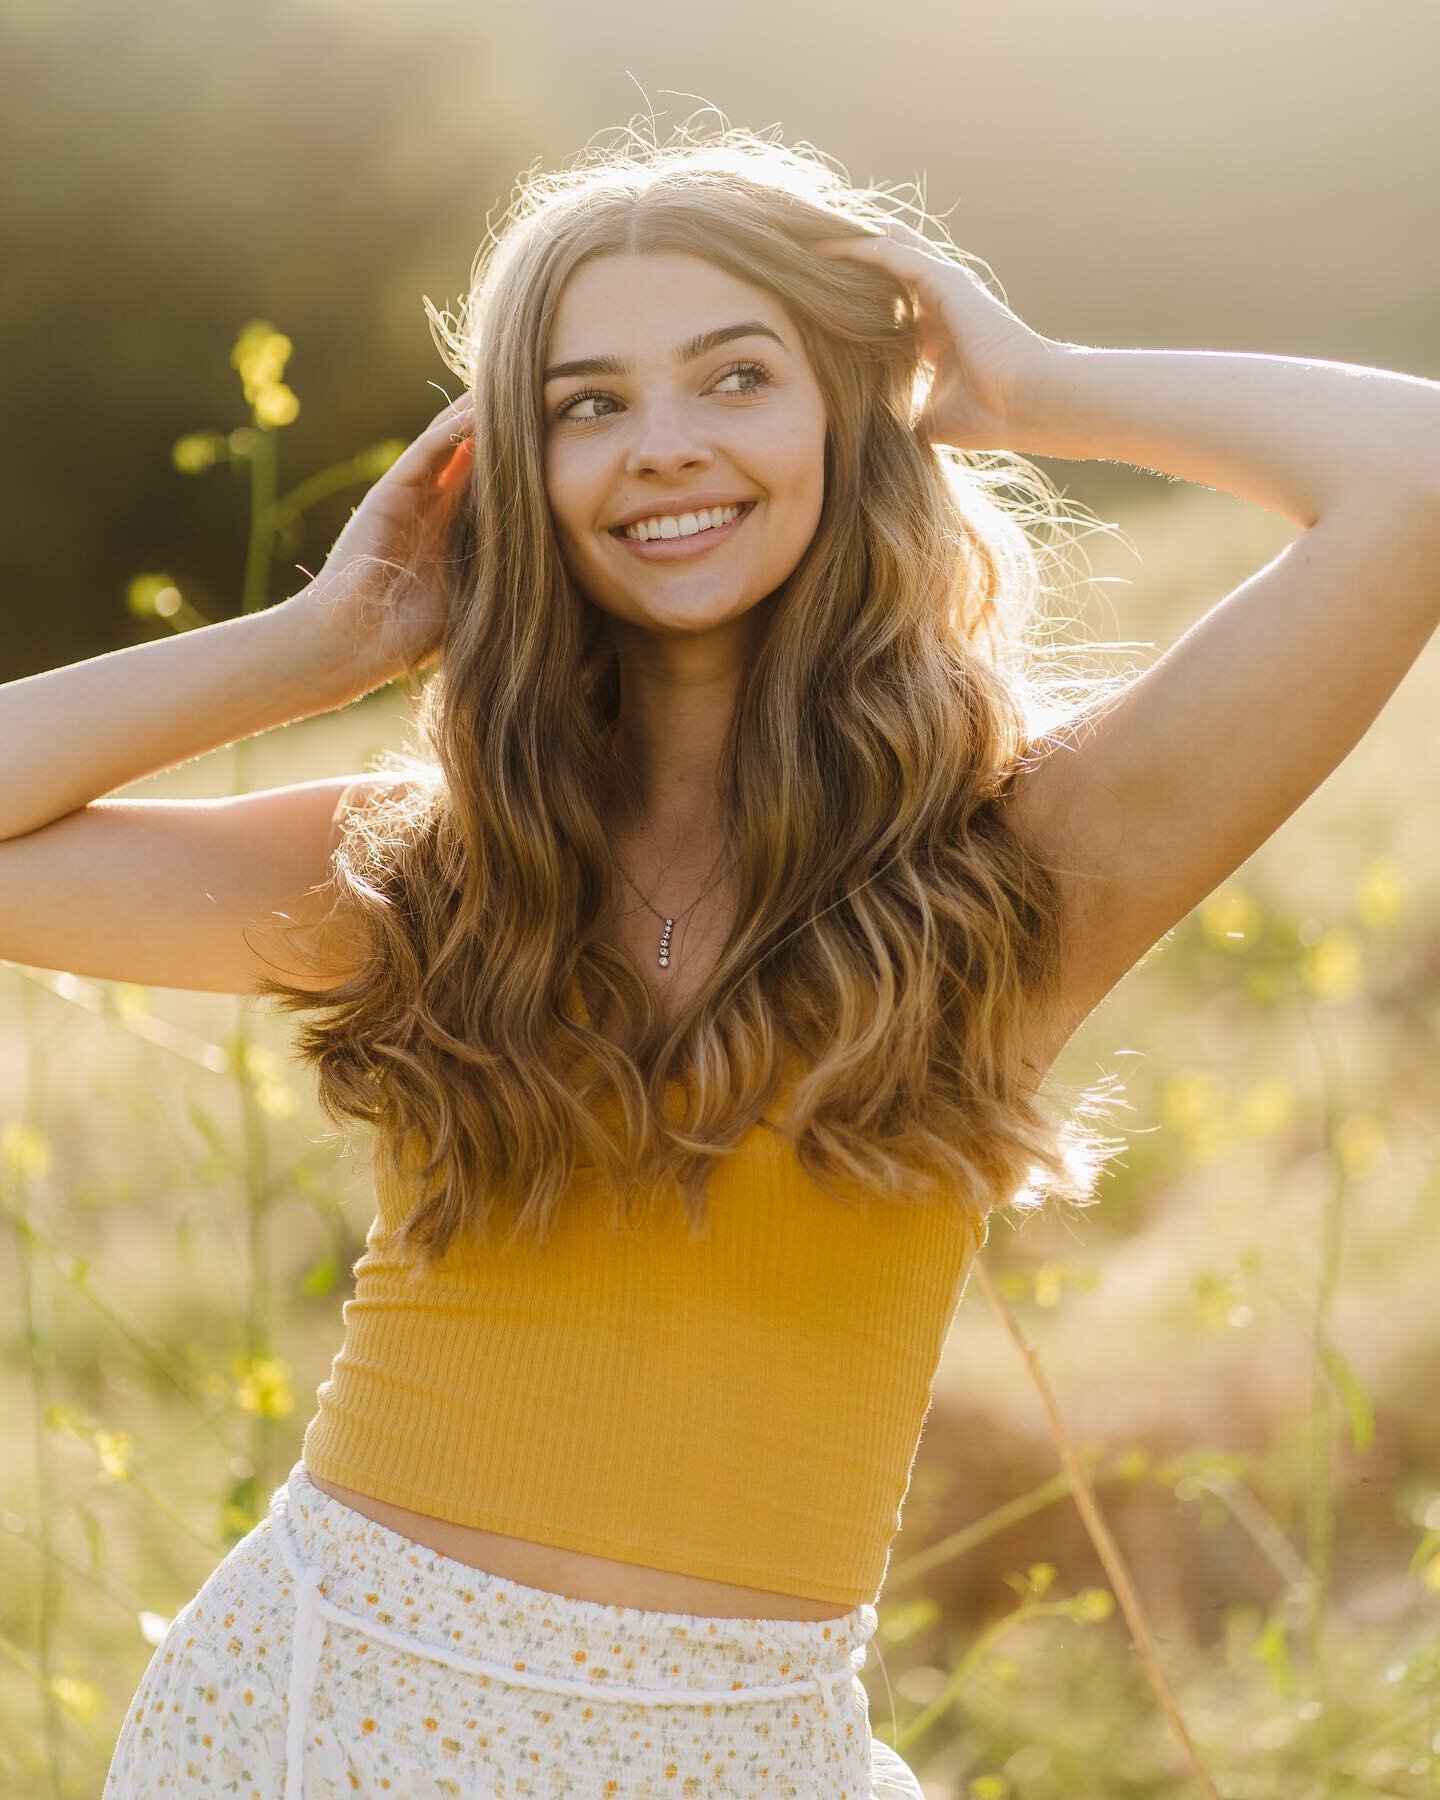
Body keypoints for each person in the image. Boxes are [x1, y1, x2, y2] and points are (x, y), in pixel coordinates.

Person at [3, 123, 1431, 1795]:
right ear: (517, 474)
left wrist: (1036, 386)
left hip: (741, 1752)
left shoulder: (1030, 861)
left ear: (846, 408)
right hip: (316, 1714)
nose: (662, 449)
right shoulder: (432, 870)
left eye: (735, 378)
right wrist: (322, 639)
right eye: (586, 404)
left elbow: (1411, 482)